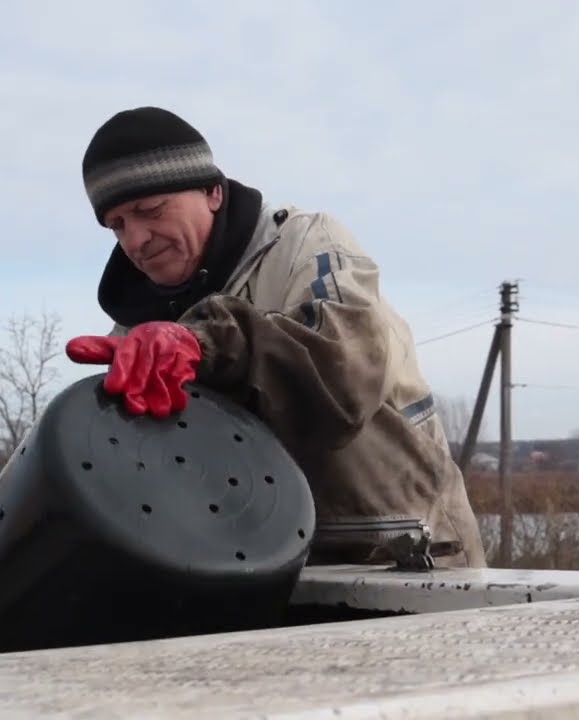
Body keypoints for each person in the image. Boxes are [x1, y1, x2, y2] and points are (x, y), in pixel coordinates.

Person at [64, 106, 486, 569]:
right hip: (255, 576)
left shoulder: (309, 246)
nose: (136, 240)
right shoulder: (132, 338)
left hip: (402, 558)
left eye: (149, 210)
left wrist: (204, 345)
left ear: (213, 192)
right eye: (117, 225)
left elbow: (341, 383)